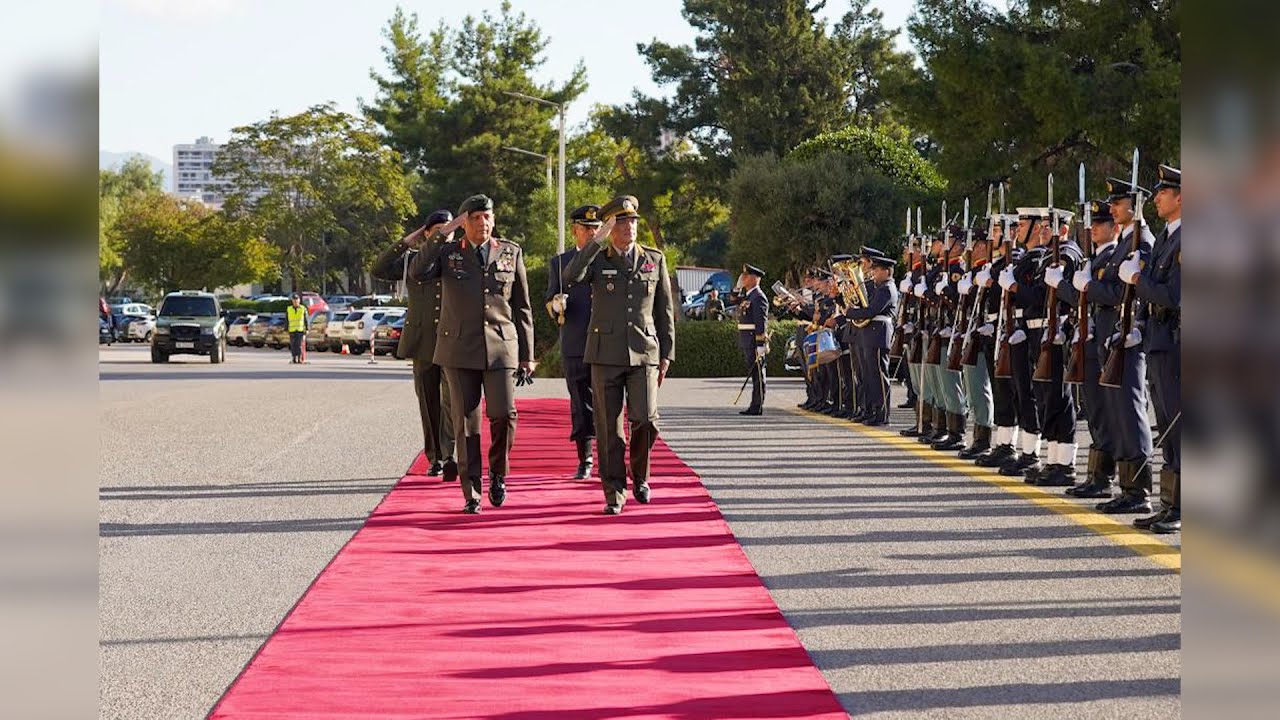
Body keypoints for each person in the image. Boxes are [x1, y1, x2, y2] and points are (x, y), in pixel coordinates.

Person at [411, 194, 534, 515]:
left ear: (494, 220)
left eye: (487, 217)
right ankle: (472, 491)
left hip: (501, 347)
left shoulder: (510, 252)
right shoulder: (448, 252)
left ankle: (498, 474)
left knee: (504, 415)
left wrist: (528, 355)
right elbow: (418, 270)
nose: (482, 223)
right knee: (466, 424)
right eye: (475, 217)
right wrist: (442, 232)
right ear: (465, 222)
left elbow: (522, 307)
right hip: (458, 349)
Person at [563, 195, 675, 515]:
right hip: (605, 353)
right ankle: (613, 491)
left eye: (634, 221)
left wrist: (667, 354)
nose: (630, 227)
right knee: (609, 429)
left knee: (646, 420)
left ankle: (640, 476)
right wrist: (596, 241)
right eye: (622, 222)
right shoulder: (597, 257)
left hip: (644, 352)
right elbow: (571, 276)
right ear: (610, 227)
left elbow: (665, 311)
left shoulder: (654, 259)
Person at [1073, 178, 1156, 515]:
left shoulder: (1144, 243)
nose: (1112, 208)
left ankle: (1139, 489)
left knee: (1130, 409)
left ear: (1135, 206)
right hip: (1110, 332)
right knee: (1116, 409)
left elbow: (1124, 294)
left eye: (1118, 203)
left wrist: (1090, 287)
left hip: (1128, 334)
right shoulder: (1126, 243)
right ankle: (1126, 486)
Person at [371, 210, 457, 481]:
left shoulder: (459, 259)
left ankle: (449, 453)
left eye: (449, 230)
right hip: (422, 342)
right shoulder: (411, 261)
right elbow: (378, 269)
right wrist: (405, 242)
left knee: (451, 401)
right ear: (428, 233)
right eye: (439, 230)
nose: (445, 235)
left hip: (453, 340)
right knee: (428, 402)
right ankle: (435, 457)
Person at [1126, 164, 1180, 533]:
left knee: (1181, 425)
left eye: (1163, 191)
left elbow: (1173, 295)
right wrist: (1139, 323)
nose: (1156, 197)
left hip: (1178, 343)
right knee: (1167, 426)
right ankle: (1170, 503)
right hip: (1159, 340)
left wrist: (1137, 280)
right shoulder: (1165, 237)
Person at [1054, 200, 1120, 498]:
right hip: (1089, 339)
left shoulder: (1115, 258)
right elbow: (1079, 299)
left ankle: (1105, 477)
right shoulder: (1092, 260)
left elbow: (1111, 297)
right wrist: (1063, 286)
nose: (1093, 228)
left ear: (1114, 228)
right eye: (1091, 224)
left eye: (1100, 224)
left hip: (1106, 339)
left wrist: (1081, 286)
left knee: (1107, 411)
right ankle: (1096, 475)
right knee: (1093, 408)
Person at [546, 204, 602, 479]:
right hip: (575, 340)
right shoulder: (560, 263)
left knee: (608, 402)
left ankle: (611, 455)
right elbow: (549, 299)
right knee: (581, 403)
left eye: (596, 229)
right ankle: (586, 458)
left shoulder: (607, 258)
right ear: (575, 231)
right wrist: (556, 305)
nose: (592, 234)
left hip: (606, 342)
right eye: (587, 229)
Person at [845, 254, 898, 425]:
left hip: (879, 333)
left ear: (886, 271)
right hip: (870, 333)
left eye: (876, 269)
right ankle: (871, 411)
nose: (873, 272)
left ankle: (882, 414)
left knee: (878, 375)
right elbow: (863, 304)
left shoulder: (887, 288)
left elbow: (872, 310)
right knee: (868, 375)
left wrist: (850, 313)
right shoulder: (878, 287)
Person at [736, 264, 769, 416]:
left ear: (755, 278)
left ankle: (757, 405)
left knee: (757, 374)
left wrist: (761, 344)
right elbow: (732, 299)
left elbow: (760, 323)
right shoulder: (748, 295)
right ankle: (754, 404)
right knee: (754, 373)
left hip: (753, 340)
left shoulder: (758, 297)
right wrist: (737, 287)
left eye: (747, 276)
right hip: (746, 340)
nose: (743, 278)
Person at [286, 293, 308, 364]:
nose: (295, 302)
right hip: (292, 330)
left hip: (300, 330)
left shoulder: (302, 308)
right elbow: (287, 319)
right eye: (294, 300)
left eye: (296, 300)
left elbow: (306, 320)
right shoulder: (289, 309)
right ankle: (294, 358)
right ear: (292, 301)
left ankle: (299, 358)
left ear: (299, 300)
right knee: (293, 345)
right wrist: (286, 328)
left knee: (299, 345)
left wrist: (307, 329)